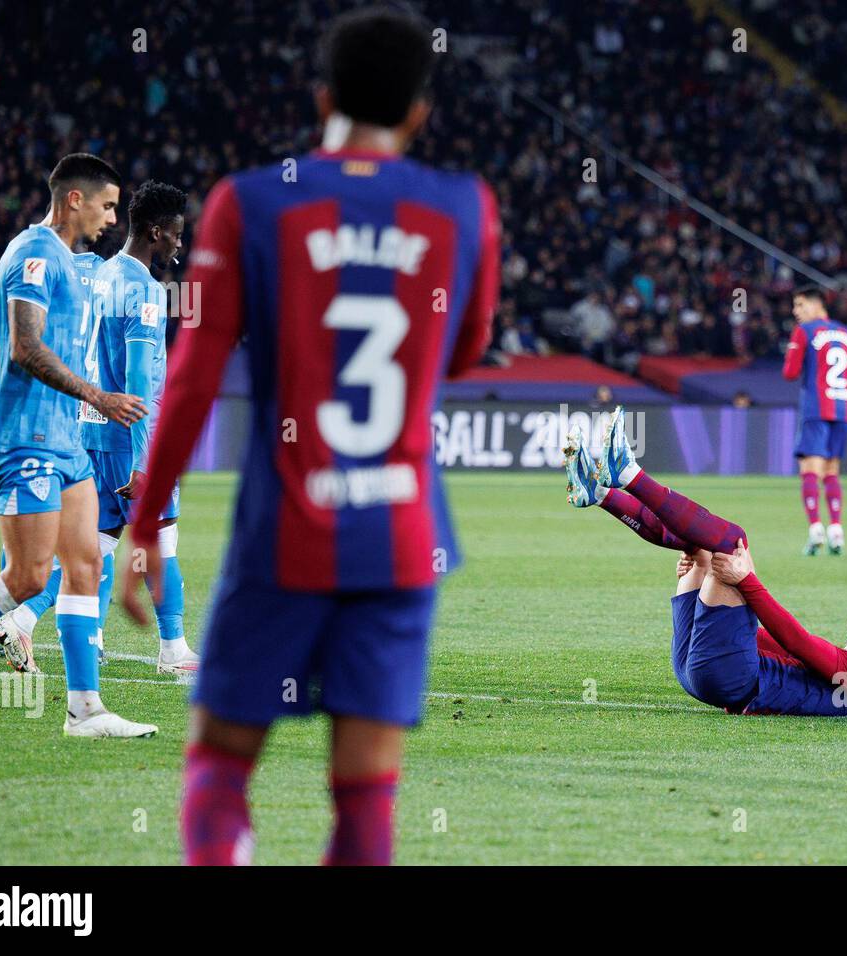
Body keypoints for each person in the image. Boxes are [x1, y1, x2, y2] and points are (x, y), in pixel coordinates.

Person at [116, 8, 498, 865]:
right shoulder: (464, 206)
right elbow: (465, 350)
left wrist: (143, 523)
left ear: (320, 95)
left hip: (284, 537)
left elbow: (191, 377)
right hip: (401, 543)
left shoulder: (249, 202)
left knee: (217, 772)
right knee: (365, 804)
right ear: (420, 111)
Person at [0, 153, 155, 737]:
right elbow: (24, 347)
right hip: (29, 438)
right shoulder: (34, 253)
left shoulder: (72, 261)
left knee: (85, 566)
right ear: (76, 200)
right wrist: (101, 397)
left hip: (65, 442)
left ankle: (85, 710)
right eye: (108, 205)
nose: (114, 218)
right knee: (27, 579)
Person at [564, 406, 847, 716]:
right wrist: (719, 601)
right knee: (701, 553)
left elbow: (797, 642)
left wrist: (745, 582)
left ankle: (629, 475)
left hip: (730, 677)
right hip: (706, 672)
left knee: (733, 542)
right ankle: (600, 494)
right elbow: (778, 645)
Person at [782, 287, 847, 555]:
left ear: (816, 306)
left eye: (800, 305)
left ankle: (815, 529)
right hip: (842, 409)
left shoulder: (805, 331)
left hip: (816, 408)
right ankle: (837, 529)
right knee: (832, 470)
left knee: (809, 469)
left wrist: (794, 350)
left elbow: (789, 373)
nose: (796, 311)